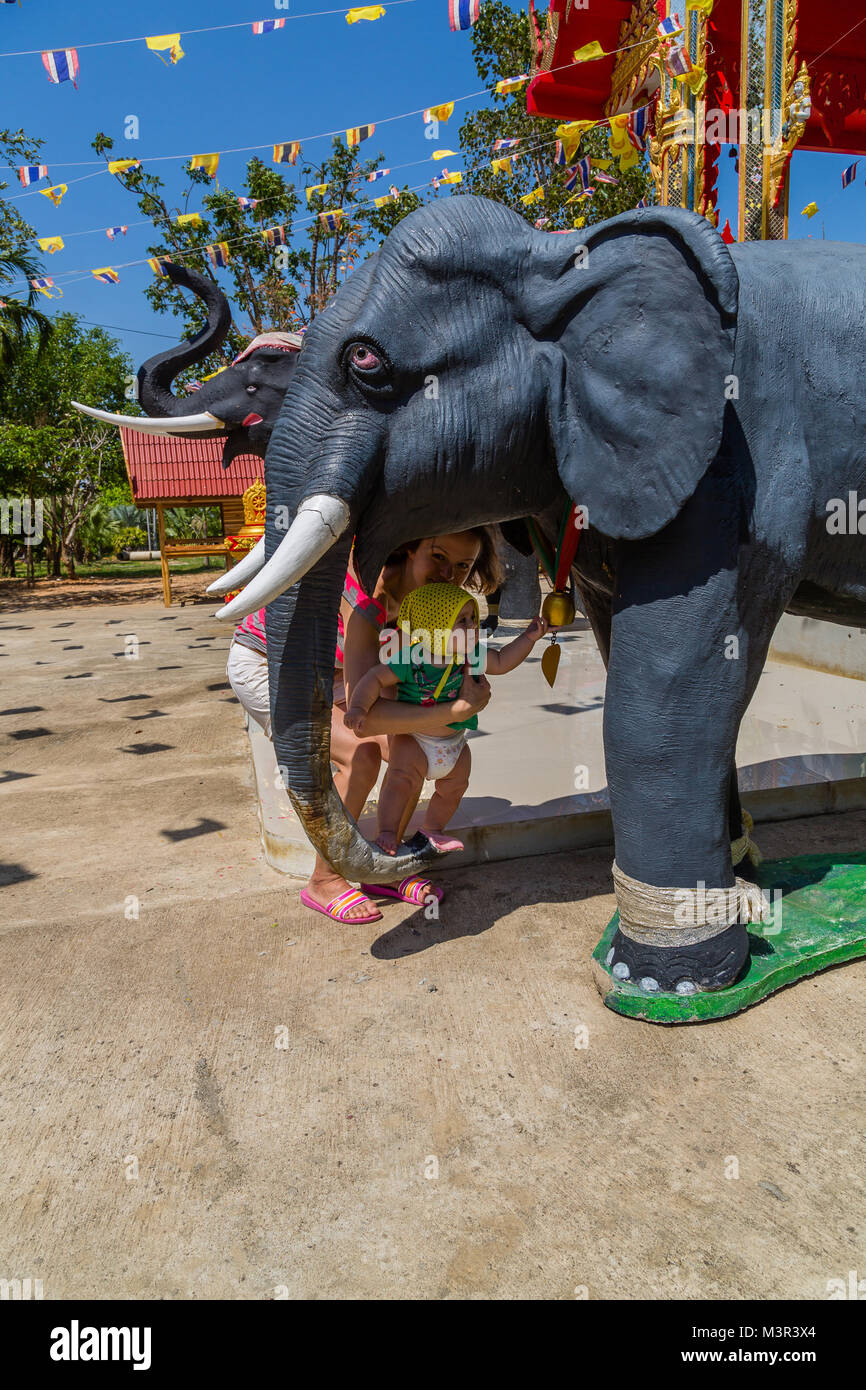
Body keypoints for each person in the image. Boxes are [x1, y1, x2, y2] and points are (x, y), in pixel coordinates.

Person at [225, 528, 502, 923]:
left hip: (338, 668)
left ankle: (385, 865)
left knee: (410, 750)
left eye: (462, 565)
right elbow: (365, 722)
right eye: (437, 556)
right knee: (363, 753)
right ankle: (324, 880)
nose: (448, 574)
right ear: (407, 545)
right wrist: (453, 712)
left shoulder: (428, 604)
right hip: (271, 665)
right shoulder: (367, 597)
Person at [345, 581, 547, 855]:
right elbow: (375, 678)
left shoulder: (470, 656)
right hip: (414, 741)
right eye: (461, 621)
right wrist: (358, 707)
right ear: (434, 626)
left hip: (454, 744)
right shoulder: (412, 659)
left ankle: (433, 828)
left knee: (455, 786)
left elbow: (501, 660)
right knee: (399, 783)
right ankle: (388, 832)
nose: (472, 626)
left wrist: (528, 639)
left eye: (473, 618)